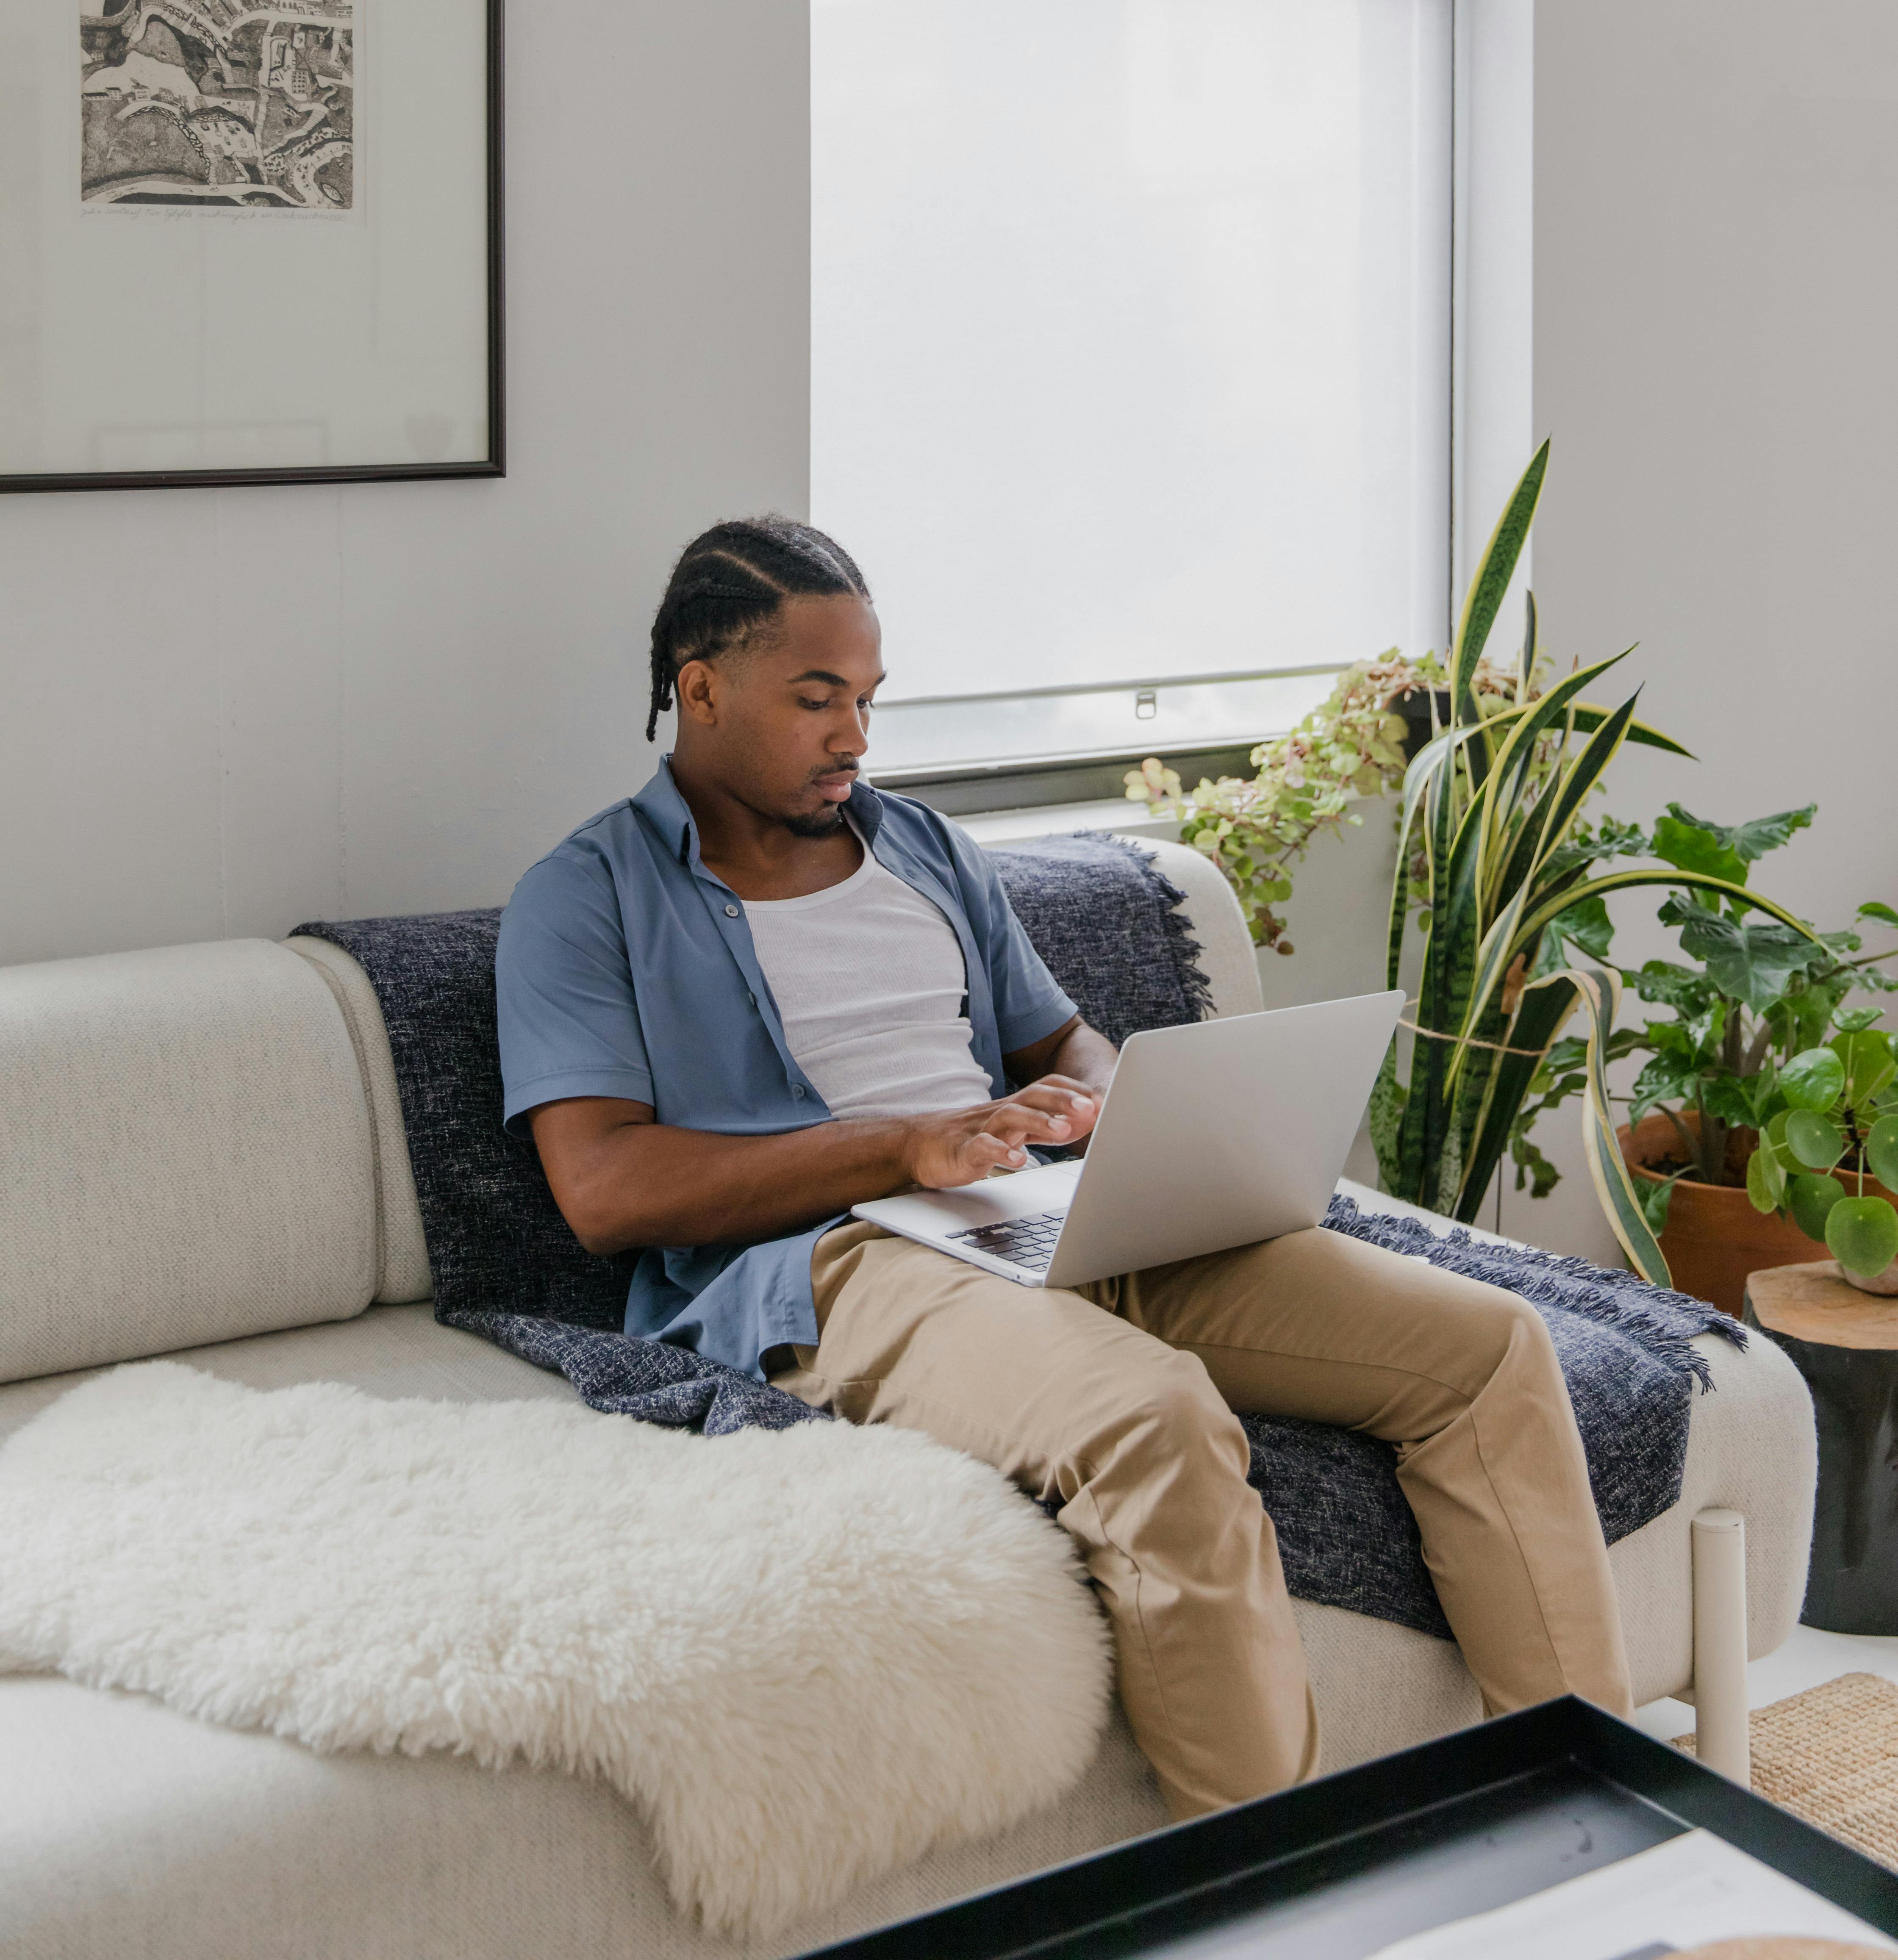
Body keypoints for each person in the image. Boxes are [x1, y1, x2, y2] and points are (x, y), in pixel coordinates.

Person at [496, 517, 1632, 1820]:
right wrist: (899, 1146)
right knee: (1156, 1423)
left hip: (1045, 1209)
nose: (855, 738)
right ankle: (1274, 1903)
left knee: (1486, 1351)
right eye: (818, 700)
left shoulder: (920, 846)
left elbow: (1062, 1042)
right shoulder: (584, 897)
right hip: (838, 1260)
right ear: (700, 689)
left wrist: (1118, 1113)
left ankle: (1594, 1822)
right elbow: (606, 1194)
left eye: (867, 700)